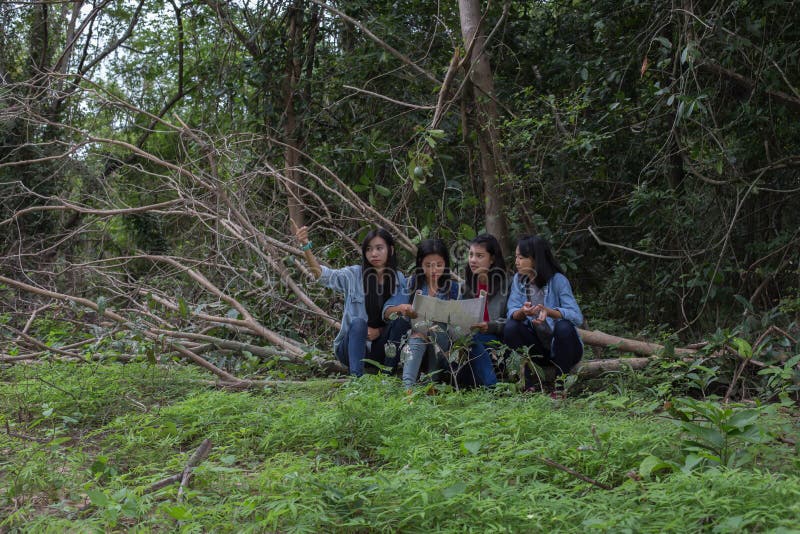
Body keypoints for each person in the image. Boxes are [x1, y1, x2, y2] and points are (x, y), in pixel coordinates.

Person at [295, 225, 407, 376]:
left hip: (381, 349)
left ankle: (387, 374)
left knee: (402, 322)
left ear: (390, 250)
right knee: (358, 323)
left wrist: (379, 331)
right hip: (350, 348)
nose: (373, 253)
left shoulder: (399, 279)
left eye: (379, 248)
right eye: (368, 249)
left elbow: (398, 317)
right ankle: (357, 378)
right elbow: (321, 275)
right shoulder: (354, 274)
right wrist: (305, 246)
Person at [503, 235, 583, 390]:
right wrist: (523, 311)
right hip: (539, 349)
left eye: (521, 257)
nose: (516, 262)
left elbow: (576, 316)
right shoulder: (519, 281)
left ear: (535, 259)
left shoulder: (558, 280)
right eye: (516, 257)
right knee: (511, 326)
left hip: (564, 348)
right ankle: (528, 385)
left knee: (564, 327)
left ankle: (560, 387)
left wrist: (550, 312)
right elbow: (511, 310)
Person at [383, 238, 460, 388]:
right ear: (420, 264)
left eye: (439, 265)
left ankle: (431, 383)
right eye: (428, 265)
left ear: (446, 264)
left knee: (438, 327)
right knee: (418, 335)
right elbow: (387, 311)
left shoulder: (453, 289)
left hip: (443, 347)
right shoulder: (411, 283)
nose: (434, 270)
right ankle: (408, 388)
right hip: (413, 344)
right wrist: (403, 308)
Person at [457, 234, 509, 388]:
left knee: (471, 344)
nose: (473, 260)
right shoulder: (466, 287)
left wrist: (490, 326)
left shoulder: (508, 284)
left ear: (492, 259)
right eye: (471, 254)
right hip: (473, 339)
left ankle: (491, 386)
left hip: (497, 340)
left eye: (479, 256)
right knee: (468, 341)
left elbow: (514, 322)